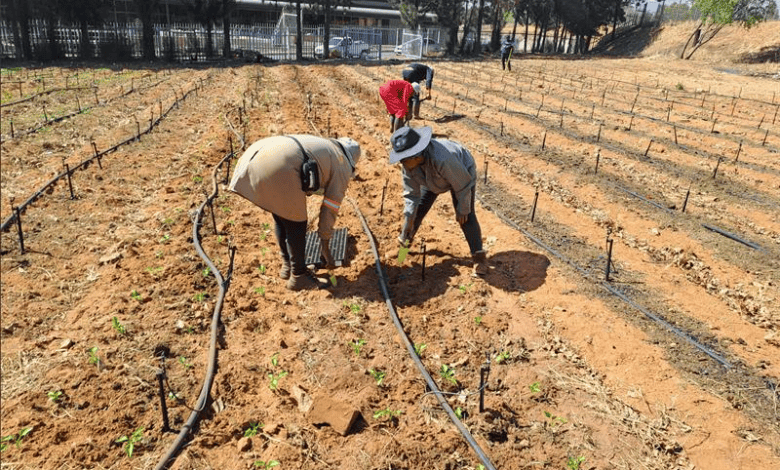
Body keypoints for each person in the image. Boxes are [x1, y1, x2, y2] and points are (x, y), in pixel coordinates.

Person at [228, 135, 361, 291]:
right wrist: (325, 246)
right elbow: (330, 208)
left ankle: (288, 266)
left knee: (282, 216)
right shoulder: (342, 163)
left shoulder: (326, 148)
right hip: (278, 163)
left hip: (255, 153)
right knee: (296, 222)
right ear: (352, 161)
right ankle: (298, 276)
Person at [388, 126, 489, 276]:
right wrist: (408, 220)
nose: (401, 163)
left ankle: (479, 259)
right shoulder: (409, 166)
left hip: (461, 173)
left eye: (403, 159)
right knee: (417, 212)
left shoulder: (443, 158)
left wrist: (462, 209)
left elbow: (462, 185)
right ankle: (403, 249)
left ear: (416, 156)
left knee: (465, 217)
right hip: (432, 179)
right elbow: (411, 195)